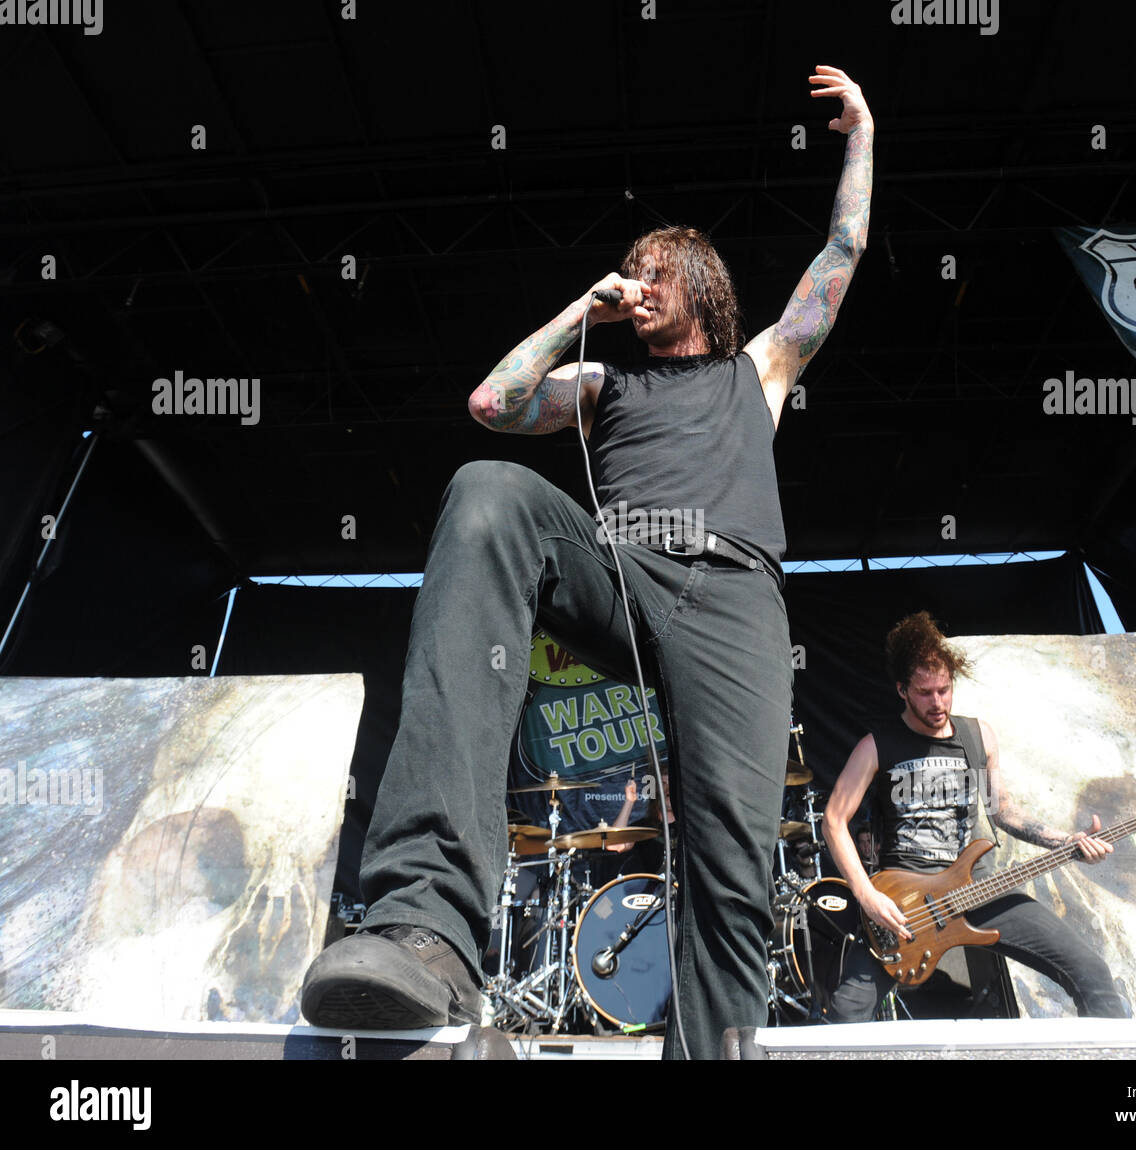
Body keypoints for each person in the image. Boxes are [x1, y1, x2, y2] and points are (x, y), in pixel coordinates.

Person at [301, 64, 874, 1059]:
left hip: (731, 592)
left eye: (656, 273)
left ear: (702, 286)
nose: (638, 285)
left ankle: (712, 1046)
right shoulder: (605, 384)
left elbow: (844, 246)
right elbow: (493, 402)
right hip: (615, 572)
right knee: (486, 492)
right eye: (631, 270)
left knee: (731, 855)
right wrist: (583, 308)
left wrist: (861, 133)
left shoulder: (761, 366)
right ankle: (423, 932)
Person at [822, 611, 1131, 1021]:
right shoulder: (877, 746)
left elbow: (1000, 809)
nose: (938, 703)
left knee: (1092, 972)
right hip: (908, 903)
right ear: (902, 690)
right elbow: (833, 819)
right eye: (925, 692)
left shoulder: (976, 736)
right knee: (845, 1014)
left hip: (977, 890)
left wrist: (1065, 841)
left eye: (945, 690)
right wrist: (867, 895)